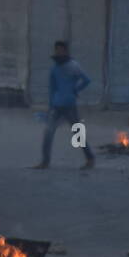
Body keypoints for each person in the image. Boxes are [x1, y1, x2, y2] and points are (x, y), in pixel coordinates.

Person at [34, 40, 95, 170]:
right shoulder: (54, 68)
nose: (58, 52)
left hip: (70, 106)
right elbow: (52, 89)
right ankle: (45, 162)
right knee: (48, 133)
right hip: (56, 106)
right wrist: (50, 106)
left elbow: (86, 80)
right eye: (57, 49)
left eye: (61, 50)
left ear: (66, 51)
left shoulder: (73, 65)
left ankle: (90, 159)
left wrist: (75, 90)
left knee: (77, 133)